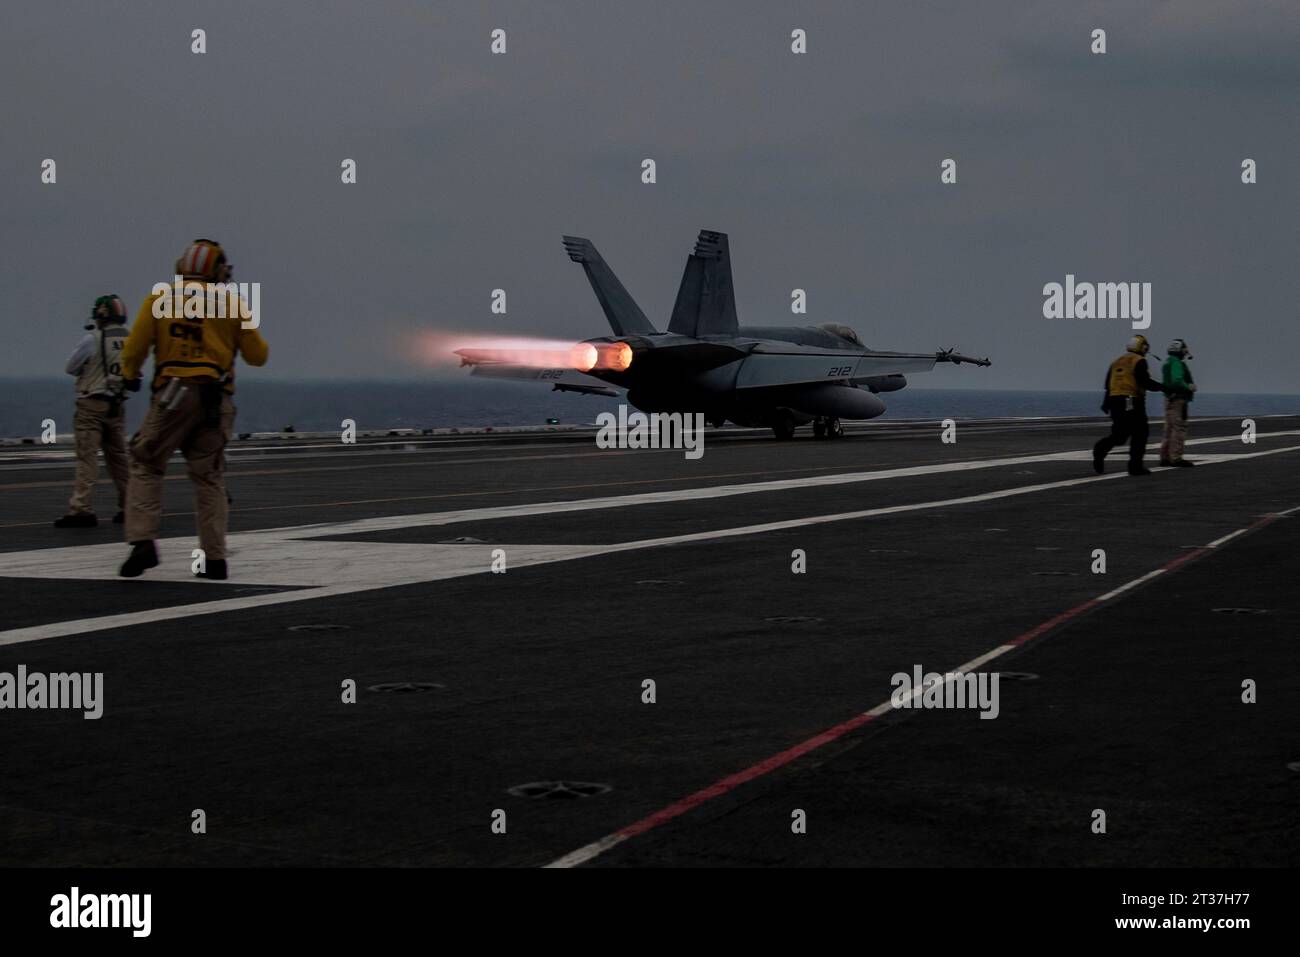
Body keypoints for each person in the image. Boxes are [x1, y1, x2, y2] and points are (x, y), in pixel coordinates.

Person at [118, 239, 268, 579]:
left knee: (146, 461)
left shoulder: (161, 298)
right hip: (216, 398)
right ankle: (214, 559)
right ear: (216, 270)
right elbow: (258, 356)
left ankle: (142, 540)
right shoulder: (231, 303)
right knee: (209, 477)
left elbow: (135, 348)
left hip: (172, 393)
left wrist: (130, 376)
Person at [54, 295, 131, 527]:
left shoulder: (93, 339)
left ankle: (81, 509)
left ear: (102, 315)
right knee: (119, 459)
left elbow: (71, 367)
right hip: (117, 406)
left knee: (87, 458)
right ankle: (131, 506)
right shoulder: (129, 338)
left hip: (92, 404)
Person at [1092, 334, 1166, 476]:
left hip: (1115, 400)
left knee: (1120, 434)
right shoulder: (1139, 361)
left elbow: (1109, 385)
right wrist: (1163, 387)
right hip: (1132, 400)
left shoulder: (1116, 361)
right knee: (1140, 433)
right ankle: (1135, 466)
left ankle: (1100, 449)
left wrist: (1106, 403)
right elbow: (1144, 381)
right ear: (1143, 347)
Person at [1160, 339, 1197, 467]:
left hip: (1169, 398)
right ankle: (1176, 457)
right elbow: (1177, 380)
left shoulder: (1168, 362)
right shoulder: (1176, 363)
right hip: (1178, 400)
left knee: (1169, 428)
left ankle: (1165, 456)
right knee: (1179, 428)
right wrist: (1188, 387)